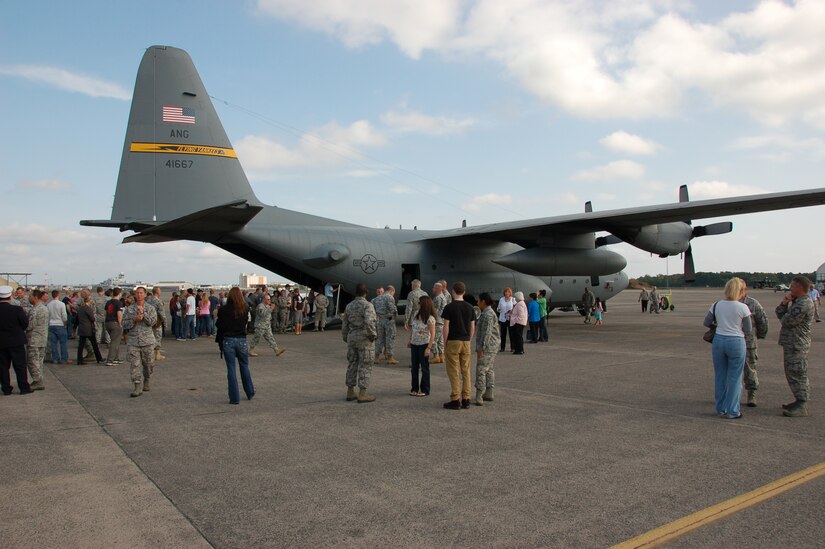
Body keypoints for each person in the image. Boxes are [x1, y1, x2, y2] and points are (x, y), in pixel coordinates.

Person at [703, 277, 752, 419]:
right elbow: (748, 329)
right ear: (740, 291)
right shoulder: (743, 307)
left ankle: (721, 408)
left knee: (720, 376)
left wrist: (720, 324)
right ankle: (733, 411)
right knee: (735, 377)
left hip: (719, 341)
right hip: (736, 341)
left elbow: (706, 322)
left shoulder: (716, 305)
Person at [776, 276, 815, 417]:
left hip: (797, 344)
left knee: (798, 372)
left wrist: (785, 311)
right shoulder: (797, 302)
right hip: (792, 343)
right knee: (792, 372)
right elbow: (779, 313)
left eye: (792, 286)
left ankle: (802, 404)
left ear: (800, 287)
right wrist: (784, 304)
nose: (790, 288)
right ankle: (798, 400)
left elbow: (787, 321)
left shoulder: (803, 304)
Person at [216, 287, 255, 405]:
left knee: (231, 369)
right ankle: (250, 392)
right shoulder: (245, 308)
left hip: (228, 339)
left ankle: (234, 398)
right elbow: (246, 322)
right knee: (244, 366)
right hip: (241, 339)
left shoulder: (223, 310)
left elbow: (219, 325)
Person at [441, 281, 476, 409]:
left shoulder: (449, 307)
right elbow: (472, 327)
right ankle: (466, 398)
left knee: (453, 370)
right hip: (466, 341)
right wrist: (469, 339)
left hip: (453, 340)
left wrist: (445, 342)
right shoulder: (470, 307)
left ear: (453, 291)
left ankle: (455, 399)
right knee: (466, 370)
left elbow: (446, 327)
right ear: (464, 292)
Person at [342, 283, 377, 403]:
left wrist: (346, 337)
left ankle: (350, 391)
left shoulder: (349, 306)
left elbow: (345, 324)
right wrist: (372, 335)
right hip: (364, 339)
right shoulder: (368, 305)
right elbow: (369, 322)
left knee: (352, 364)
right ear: (366, 292)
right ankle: (362, 393)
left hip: (352, 338)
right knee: (365, 365)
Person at [121, 285, 157, 397]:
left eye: (141, 293)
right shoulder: (129, 309)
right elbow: (124, 324)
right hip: (133, 341)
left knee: (148, 365)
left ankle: (147, 379)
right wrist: (134, 319)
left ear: (145, 294)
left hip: (147, 341)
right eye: (137, 293)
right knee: (134, 365)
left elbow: (152, 322)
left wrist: (143, 314)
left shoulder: (150, 308)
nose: (139, 295)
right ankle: (137, 386)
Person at [0, 285, 32, 395]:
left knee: (3, 366)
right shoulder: (17, 309)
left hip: (1, 342)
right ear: (10, 297)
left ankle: (6, 388)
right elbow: (25, 323)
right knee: (20, 366)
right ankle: (24, 388)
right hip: (16, 341)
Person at [741, 282, 768, 407]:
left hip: (748, 341)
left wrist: (760, 335)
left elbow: (762, 321)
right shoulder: (727, 303)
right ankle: (728, 394)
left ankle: (752, 394)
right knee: (729, 370)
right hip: (733, 341)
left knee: (750, 368)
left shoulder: (753, 303)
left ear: (745, 289)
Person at [473, 293, 500, 406]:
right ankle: (489, 392)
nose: (477, 302)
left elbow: (487, 333)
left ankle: (479, 395)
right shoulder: (488, 312)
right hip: (492, 345)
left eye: (478, 300)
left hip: (487, 347)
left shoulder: (488, 314)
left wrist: (481, 349)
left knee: (481, 370)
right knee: (489, 369)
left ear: (483, 301)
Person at [408, 295, 436, 397]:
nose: (418, 304)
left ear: (424, 305)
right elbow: (413, 329)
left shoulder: (430, 318)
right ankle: (414, 388)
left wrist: (429, 348)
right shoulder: (416, 314)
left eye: (419, 303)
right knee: (414, 367)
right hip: (414, 344)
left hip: (424, 344)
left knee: (424, 367)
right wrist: (410, 340)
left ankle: (425, 389)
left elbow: (433, 334)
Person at [249, 293, 286, 357]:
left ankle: (276, 350)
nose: (269, 301)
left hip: (267, 326)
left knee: (270, 338)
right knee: (256, 338)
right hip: (260, 326)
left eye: (269, 299)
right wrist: (271, 309)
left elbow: (269, 316)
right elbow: (262, 315)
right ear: (264, 299)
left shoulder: (268, 306)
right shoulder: (260, 306)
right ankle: (251, 350)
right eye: (268, 299)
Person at [25, 290, 48, 390]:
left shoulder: (35, 310)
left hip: (34, 339)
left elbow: (30, 325)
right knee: (39, 361)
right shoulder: (44, 308)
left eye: (30, 296)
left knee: (32, 361)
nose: (28, 297)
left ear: (35, 297)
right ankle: (39, 379)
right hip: (42, 338)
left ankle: (37, 381)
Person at [373, 286, 399, 364]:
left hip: (379, 321)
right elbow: (393, 310)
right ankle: (390, 357)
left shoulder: (376, 299)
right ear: (391, 291)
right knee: (390, 339)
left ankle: (376, 357)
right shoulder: (389, 297)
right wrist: (395, 317)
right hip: (388, 321)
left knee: (379, 339)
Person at [76, 292, 103, 365]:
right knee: (94, 344)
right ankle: (99, 358)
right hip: (89, 329)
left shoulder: (80, 308)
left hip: (82, 328)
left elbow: (77, 319)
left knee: (81, 345)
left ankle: (79, 360)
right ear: (89, 300)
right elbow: (92, 318)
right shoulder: (88, 309)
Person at [47, 289, 71, 364]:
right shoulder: (61, 304)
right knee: (63, 343)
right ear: (58, 295)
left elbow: (48, 316)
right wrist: (65, 323)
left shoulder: (49, 304)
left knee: (53, 343)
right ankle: (64, 358)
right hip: (60, 324)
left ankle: (55, 358)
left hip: (51, 324)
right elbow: (64, 315)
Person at [104, 288, 124, 366]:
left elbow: (105, 313)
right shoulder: (119, 303)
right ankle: (110, 360)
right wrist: (120, 323)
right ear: (119, 294)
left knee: (115, 341)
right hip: (115, 323)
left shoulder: (108, 302)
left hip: (108, 322)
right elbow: (119, 314)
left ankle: (116, 358)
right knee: (114, 342)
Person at [430, 282, 448, 364]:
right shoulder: (442, 296)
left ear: (438, 289)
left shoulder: (437, 298)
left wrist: (430, 320)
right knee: (440, 340)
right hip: (441, 321)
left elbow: (435, 311)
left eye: (434, 288)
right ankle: (441, 356)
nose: (433, 289)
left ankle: (435, 356)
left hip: (437, 322)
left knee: (433, 339)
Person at [148, 286, 167, 361]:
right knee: (157, 338)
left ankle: (150, 354)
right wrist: (165, 323)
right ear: (157, 292)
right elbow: (162, 313)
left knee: (150, 338)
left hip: (148, 322)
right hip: (157, 323)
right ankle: (157, 354)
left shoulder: (148, 300)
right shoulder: (158, 301)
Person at [497, 287, 515, 352]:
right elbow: (498, 308)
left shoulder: (513, 299)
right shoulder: (501, 299)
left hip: (510, 319)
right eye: (506, 292)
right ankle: (502, 348)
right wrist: (499, 310)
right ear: (504, 293)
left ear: (510, 293)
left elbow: (516, 307)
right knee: (503, 334)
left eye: (508, 292)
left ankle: (512, 347)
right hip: (503, 319)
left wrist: (512, 310)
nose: (507, 293)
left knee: (511, 334)